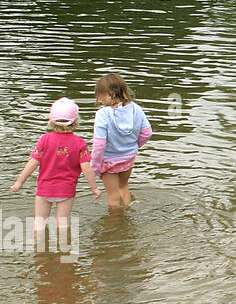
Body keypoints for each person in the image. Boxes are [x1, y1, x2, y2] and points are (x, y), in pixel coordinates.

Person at [11, 98, 101, 250]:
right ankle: (64, 251)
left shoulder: (45, 139)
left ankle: (39, 251)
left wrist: (19, 182)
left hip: (44, 190)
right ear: (76, 121)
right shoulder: (79, 143)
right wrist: (94, 188)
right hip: (66, 191)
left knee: (39, 222)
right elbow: (86, 169)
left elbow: (32, 163)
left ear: (51, 121)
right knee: (62, 222)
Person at [90, 73, 152, 209]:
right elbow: (147, 133)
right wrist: (134, 146)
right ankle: (127, 214)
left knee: (112, 196)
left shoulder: (102, 114)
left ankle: (115, 225)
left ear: (111, 94)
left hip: (109, 162)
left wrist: (94, 166)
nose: (99, 99)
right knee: (123, 187)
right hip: (128, 157)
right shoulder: (136, 109)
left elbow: (99, 145)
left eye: (101, 95)